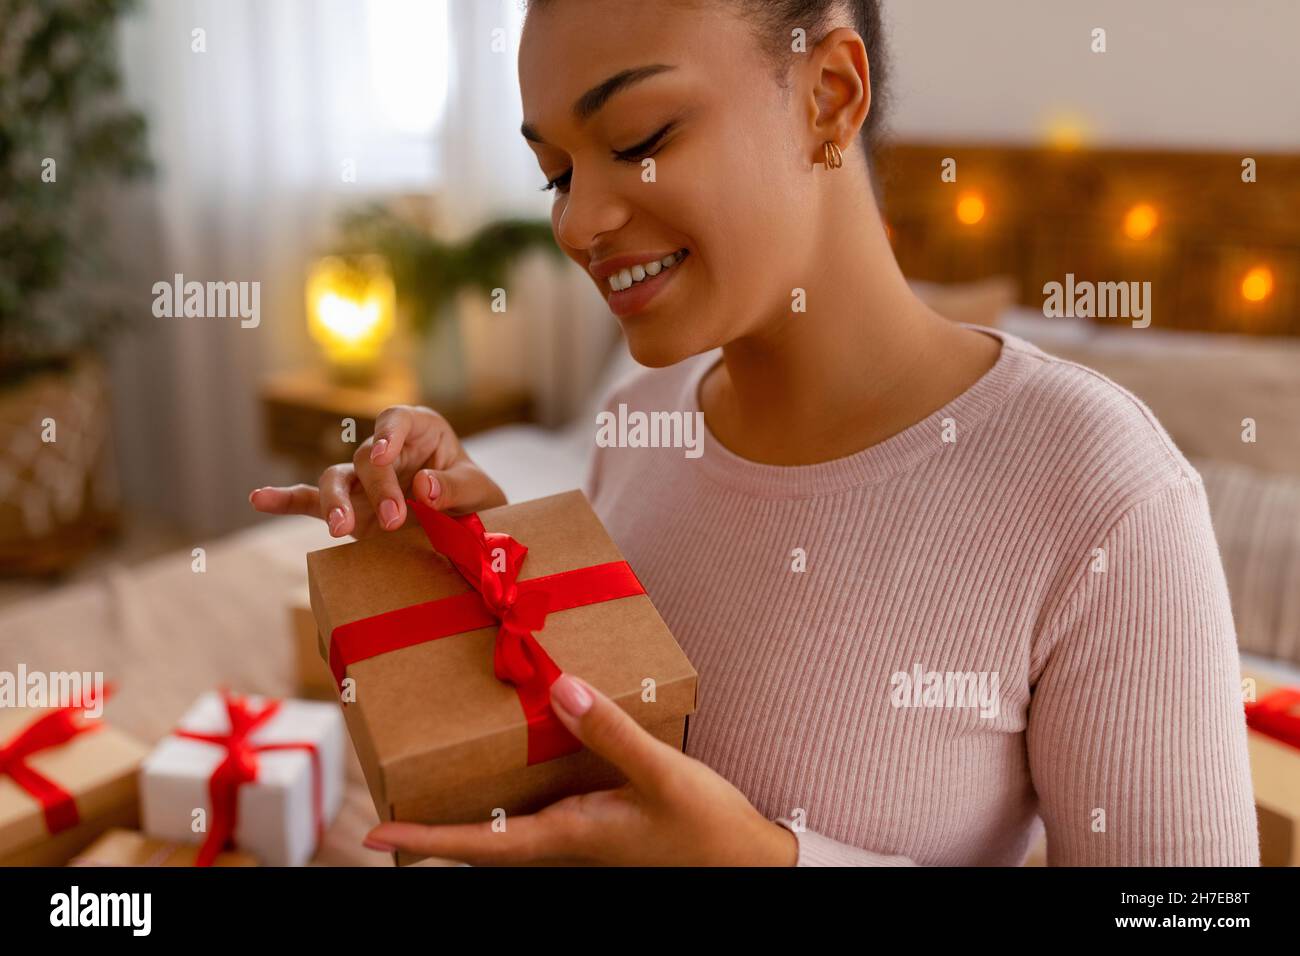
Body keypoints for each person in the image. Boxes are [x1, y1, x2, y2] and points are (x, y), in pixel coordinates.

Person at [250, 0, 1259, 865]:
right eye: (557, 173)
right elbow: (599, 784)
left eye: (639, 142)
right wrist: (472, 572)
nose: (577, 223)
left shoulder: (1098, 487)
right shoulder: (640, 425)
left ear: (827, 95)